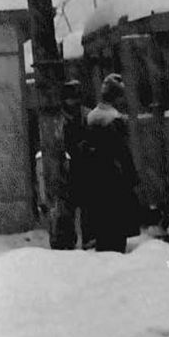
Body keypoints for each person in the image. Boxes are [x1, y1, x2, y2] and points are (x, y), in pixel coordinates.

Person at [83, 74, 140, 253]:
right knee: (116, 226)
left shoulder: (92, 116)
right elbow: (122, 151)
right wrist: (132, 175)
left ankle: (104, 249)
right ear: (117, 97)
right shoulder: (114, 119)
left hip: (96, 177)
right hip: (115, 177)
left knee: (103, 223)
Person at [61, 79, 93, 248]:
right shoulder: (61, 118)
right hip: (70, 167)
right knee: (69, 207)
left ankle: (87, 238)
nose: (74, 102)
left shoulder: (85, 115)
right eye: (71, 98)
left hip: (82, 166)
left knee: (85, 205)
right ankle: (70, 240)